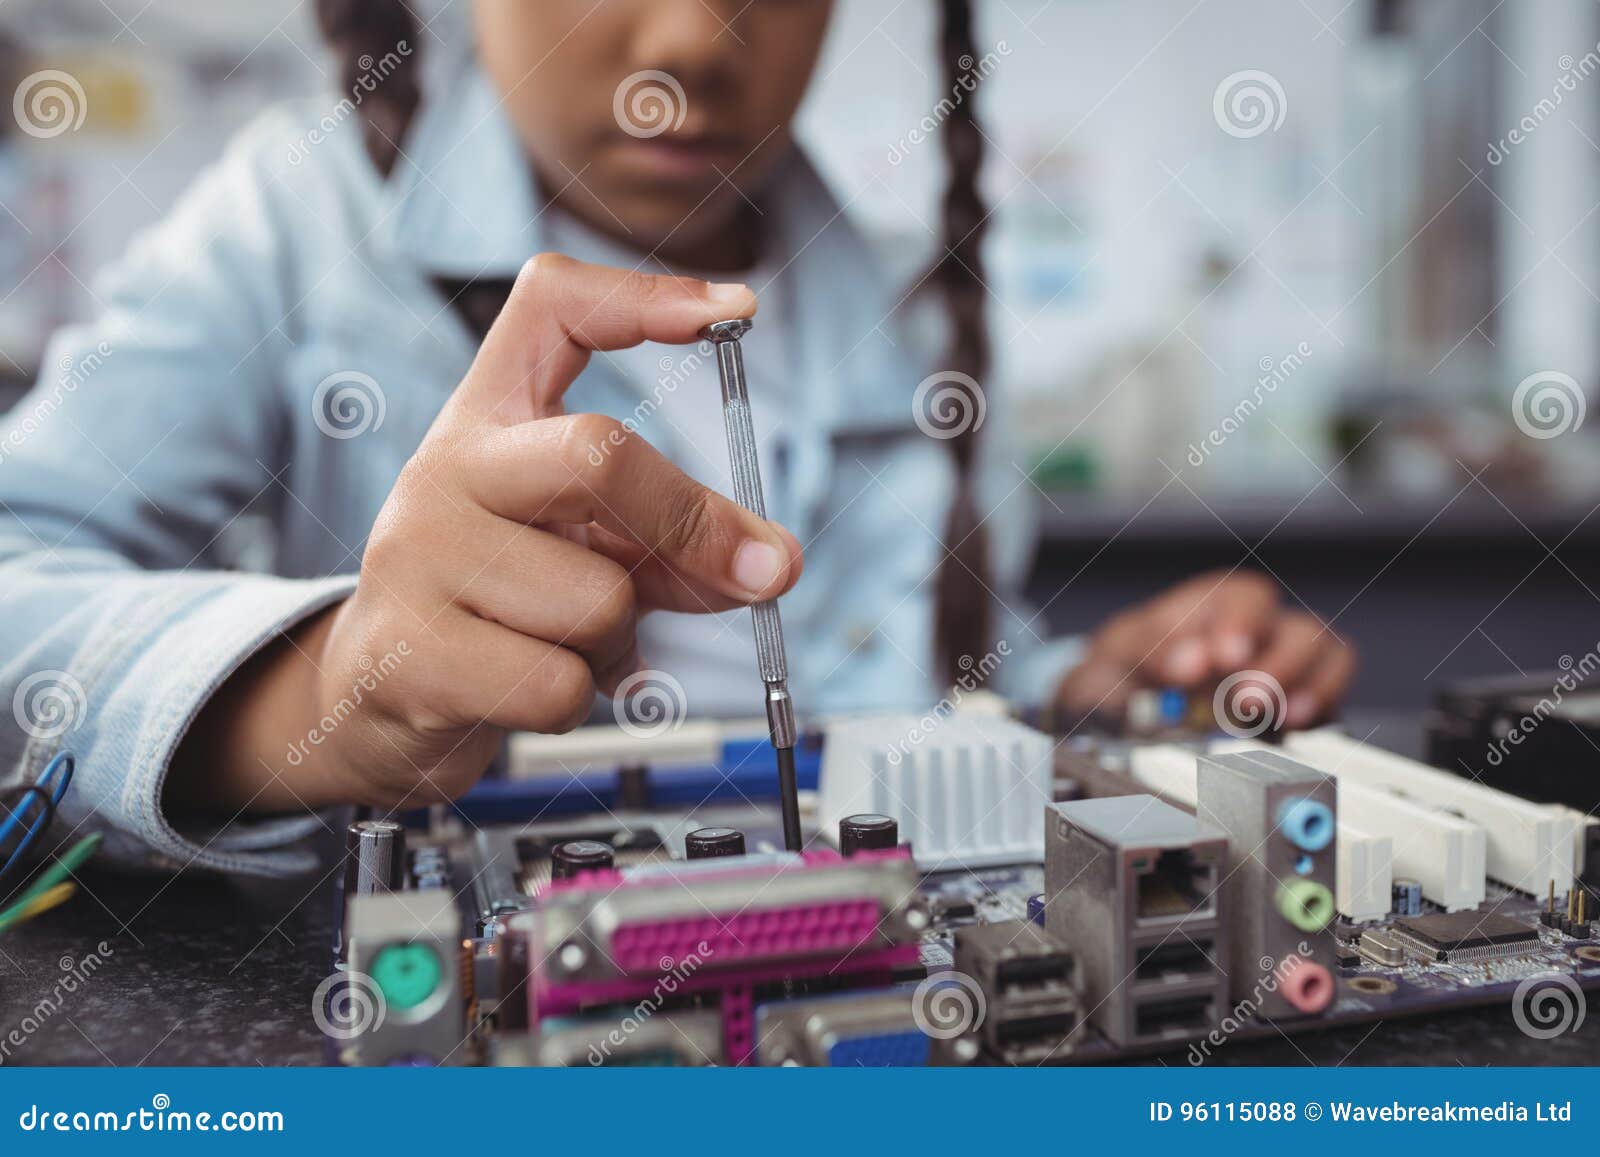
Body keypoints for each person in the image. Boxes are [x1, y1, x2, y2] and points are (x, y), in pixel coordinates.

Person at [0, 0, 1353, 874]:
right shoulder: (295, 225)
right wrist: (315, 696)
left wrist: (1084, 688)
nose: (699, 47)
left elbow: (919, 688)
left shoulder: (910, 311)